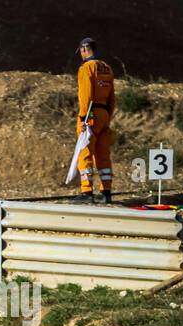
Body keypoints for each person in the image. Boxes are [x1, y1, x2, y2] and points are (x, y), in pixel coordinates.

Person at [74, 37, 117, 204]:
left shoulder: (86, 68)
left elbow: (86, 95)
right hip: (104, 114)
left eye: (81, 52)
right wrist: (107, 116)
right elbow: (112, 98)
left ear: (84, 49)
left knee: (85, 151)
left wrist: (85, 117)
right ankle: (106, 192)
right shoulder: (107, 68)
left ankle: (87, 192)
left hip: (91, 113)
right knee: (103, 155)